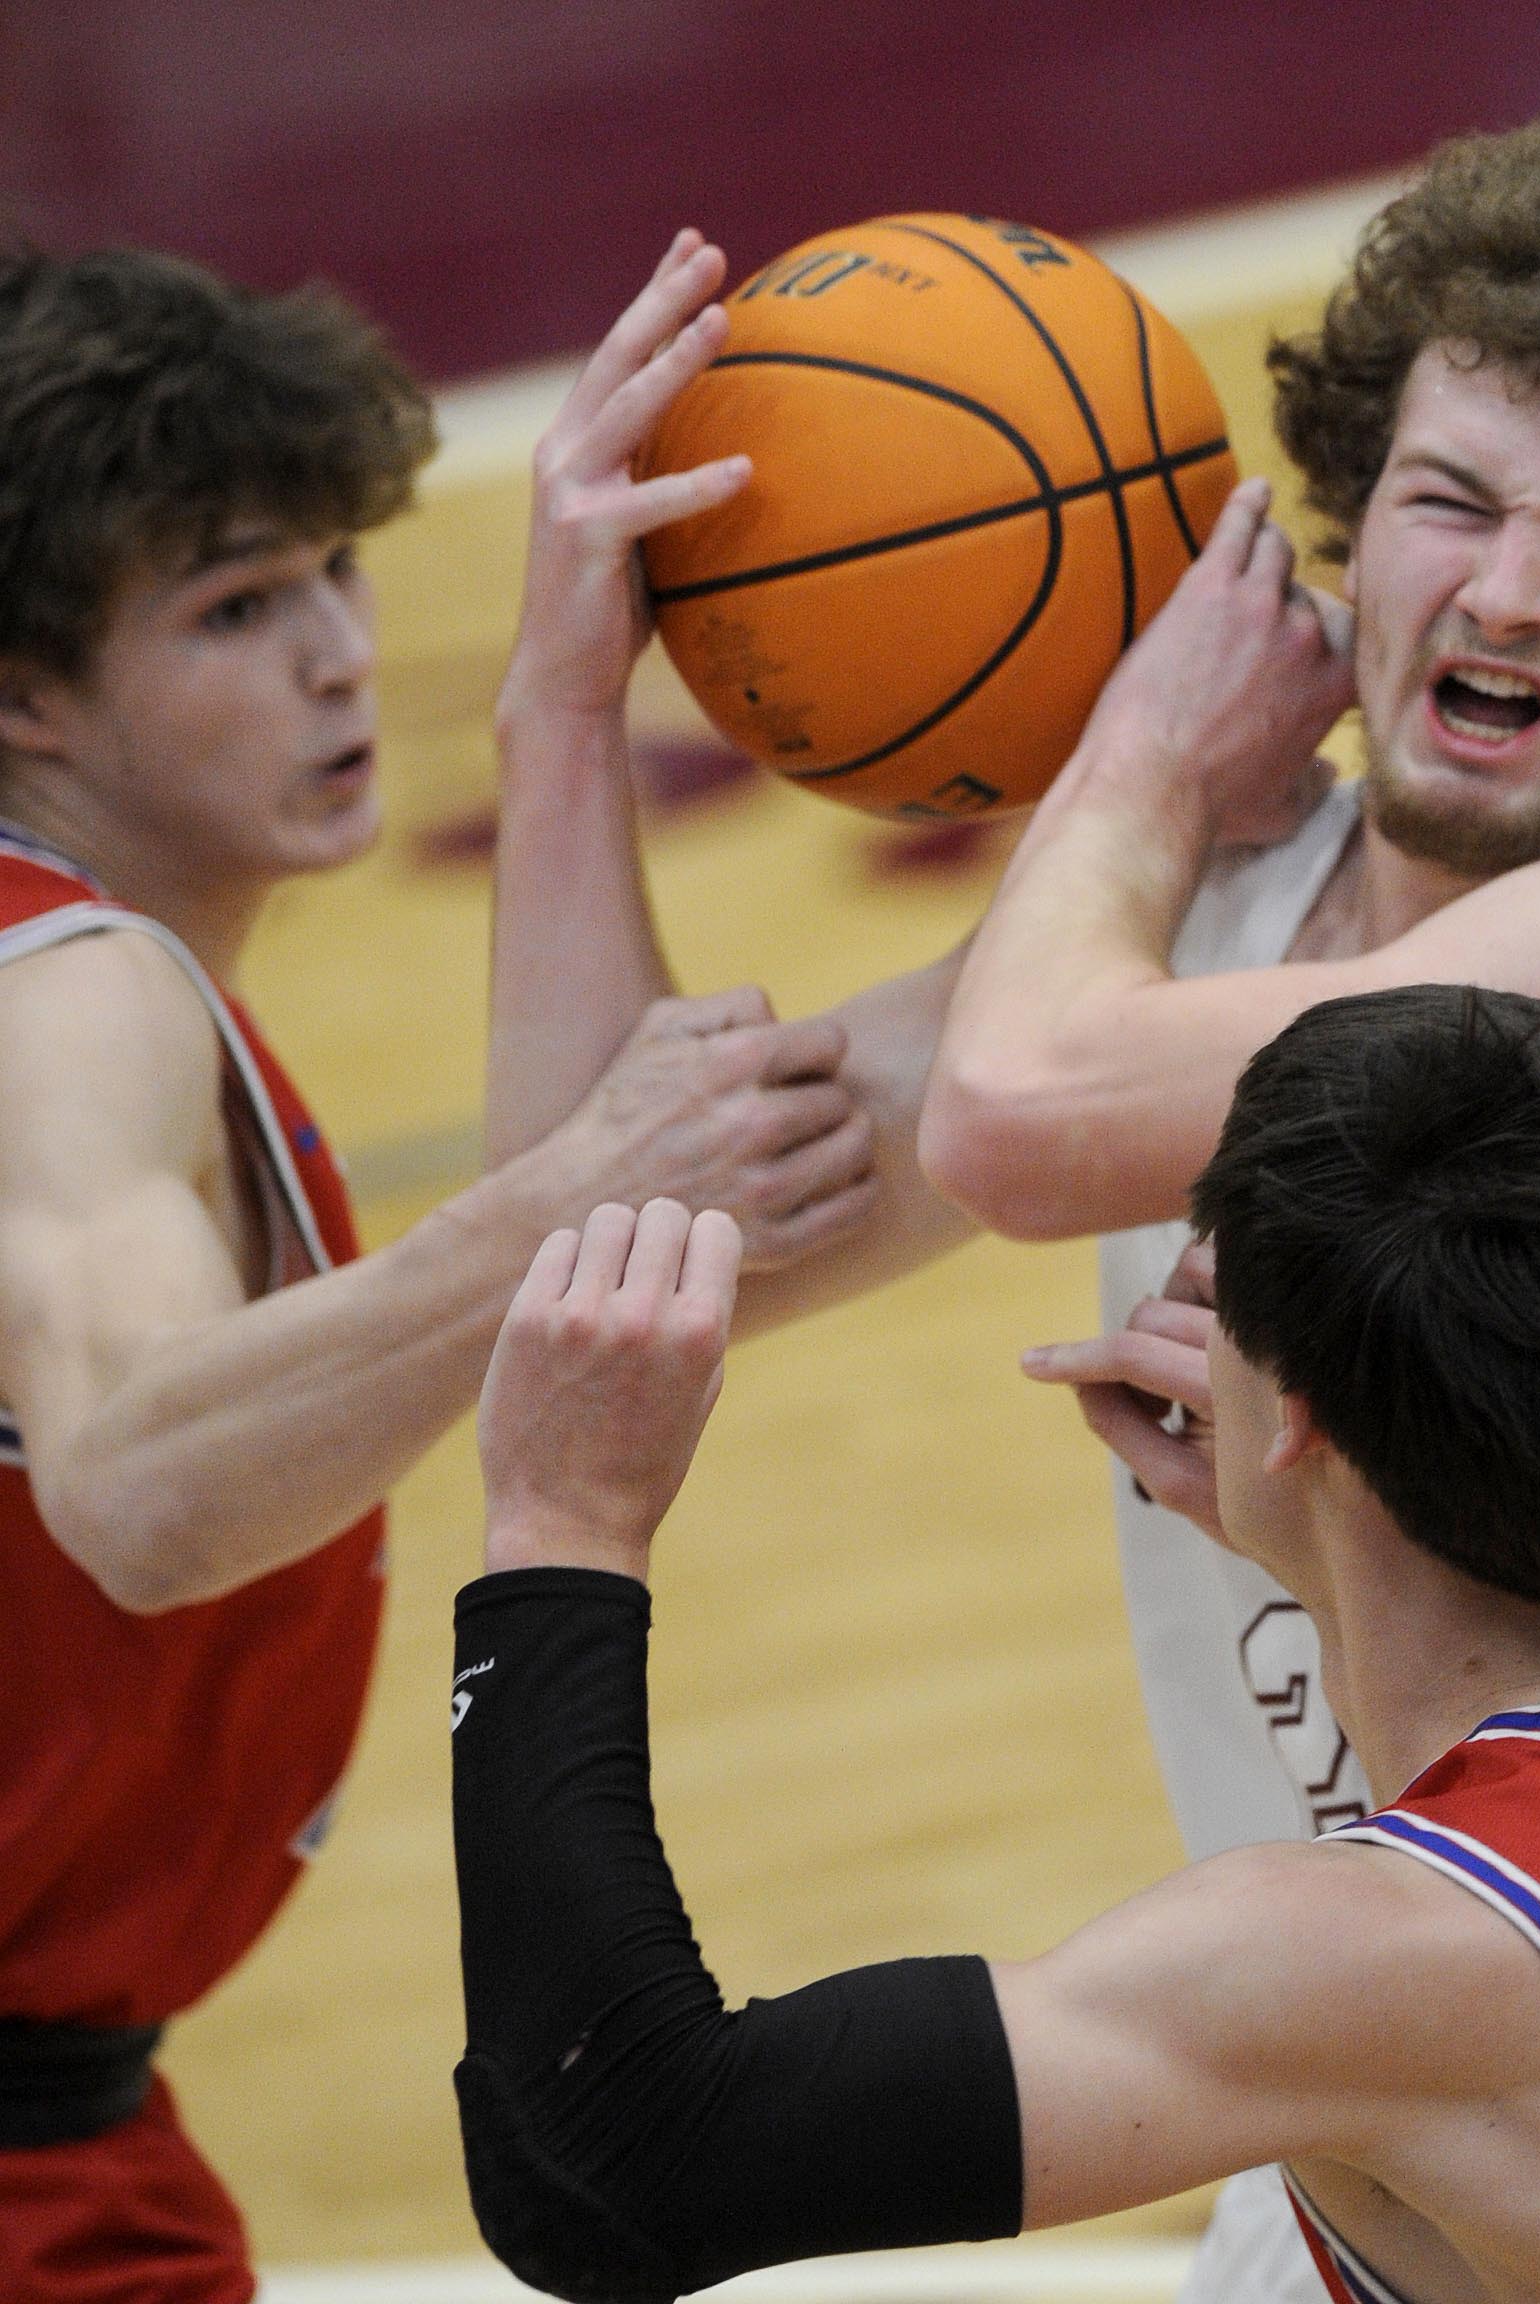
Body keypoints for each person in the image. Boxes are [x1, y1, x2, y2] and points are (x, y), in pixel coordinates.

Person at [490, 125, 1540, 2303]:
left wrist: (1137, 767)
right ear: (1349, 540)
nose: (1511, 591)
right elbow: (606, 1221)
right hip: (1360, 2077)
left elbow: (1014, 1119)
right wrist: (568, 703)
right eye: (1453, 504)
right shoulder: (1213, 937)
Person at [451, 985, 1540, 2304]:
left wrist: (565, 1524)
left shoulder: (1362, 1970)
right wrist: (1333, 1502)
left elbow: (625, 2162)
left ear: (1292, 1421)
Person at [0, 243, 881, 2304]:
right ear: (23, 694)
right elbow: (136, 1488)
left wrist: (558, 700)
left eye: (333, 575)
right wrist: (577, 1181)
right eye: (235, 609)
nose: (331, 657)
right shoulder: (71, 994)